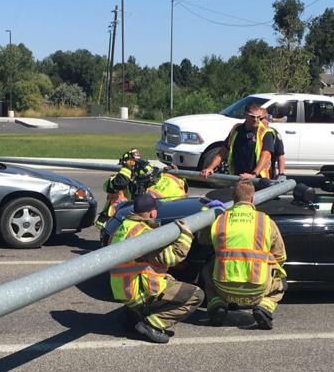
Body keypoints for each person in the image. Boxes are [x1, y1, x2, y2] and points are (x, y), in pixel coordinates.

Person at [108, 193, 203, 344]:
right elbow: (172, 258)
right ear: (152, 212)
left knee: (167, 278)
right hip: (140, 291)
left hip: (124, 290)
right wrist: (186, 235)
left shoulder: (124, 227)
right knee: (196, 295)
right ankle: (151, 324)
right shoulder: (144, 235)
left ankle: (131, 316)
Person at [204, 178, 287, 329]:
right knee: (281, 278)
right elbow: (281, 256)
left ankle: (217, 305)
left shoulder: (220, 220)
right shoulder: (265, 221)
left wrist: (207, 214)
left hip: (223, 288)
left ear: (233, 198)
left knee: (208, 267)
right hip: (256, 289)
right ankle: (264, 307)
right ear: (252, 199)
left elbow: (203, 240)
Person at [199, 104, 278, 180]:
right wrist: (210, 168)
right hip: (238, 177)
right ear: (245, 115)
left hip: (257, 179)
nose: (256, 120)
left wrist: (253, 174)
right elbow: (223, 152)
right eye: (252, 117)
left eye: (258, 117)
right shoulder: (236, 130)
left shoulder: (265, 132)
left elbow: (265, 156)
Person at [95, 148, 143, 230]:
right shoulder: (117, 178)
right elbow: (121, 183)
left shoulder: (137, 178)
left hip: (129, 215)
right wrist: (127, 168)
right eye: (133, 162)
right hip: (115, 217)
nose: (135, 165)